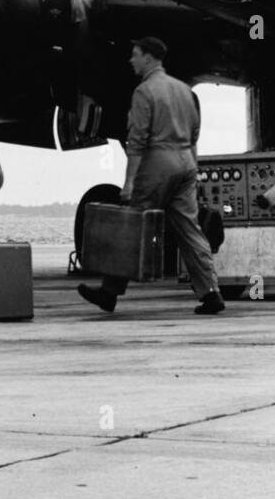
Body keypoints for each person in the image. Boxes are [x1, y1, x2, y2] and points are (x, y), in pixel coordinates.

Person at [79, 36, 224, 316]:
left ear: (149, 57)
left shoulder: (144, 92)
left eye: (135, 55)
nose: (131, 60)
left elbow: (138, 140)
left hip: (158, 163)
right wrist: (192, 171)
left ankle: (109, 293)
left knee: (132, 227)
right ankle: (211, 292)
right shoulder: (185, 91)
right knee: (190, 230)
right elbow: (194, 134)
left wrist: (129, 182)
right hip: (186, 162)